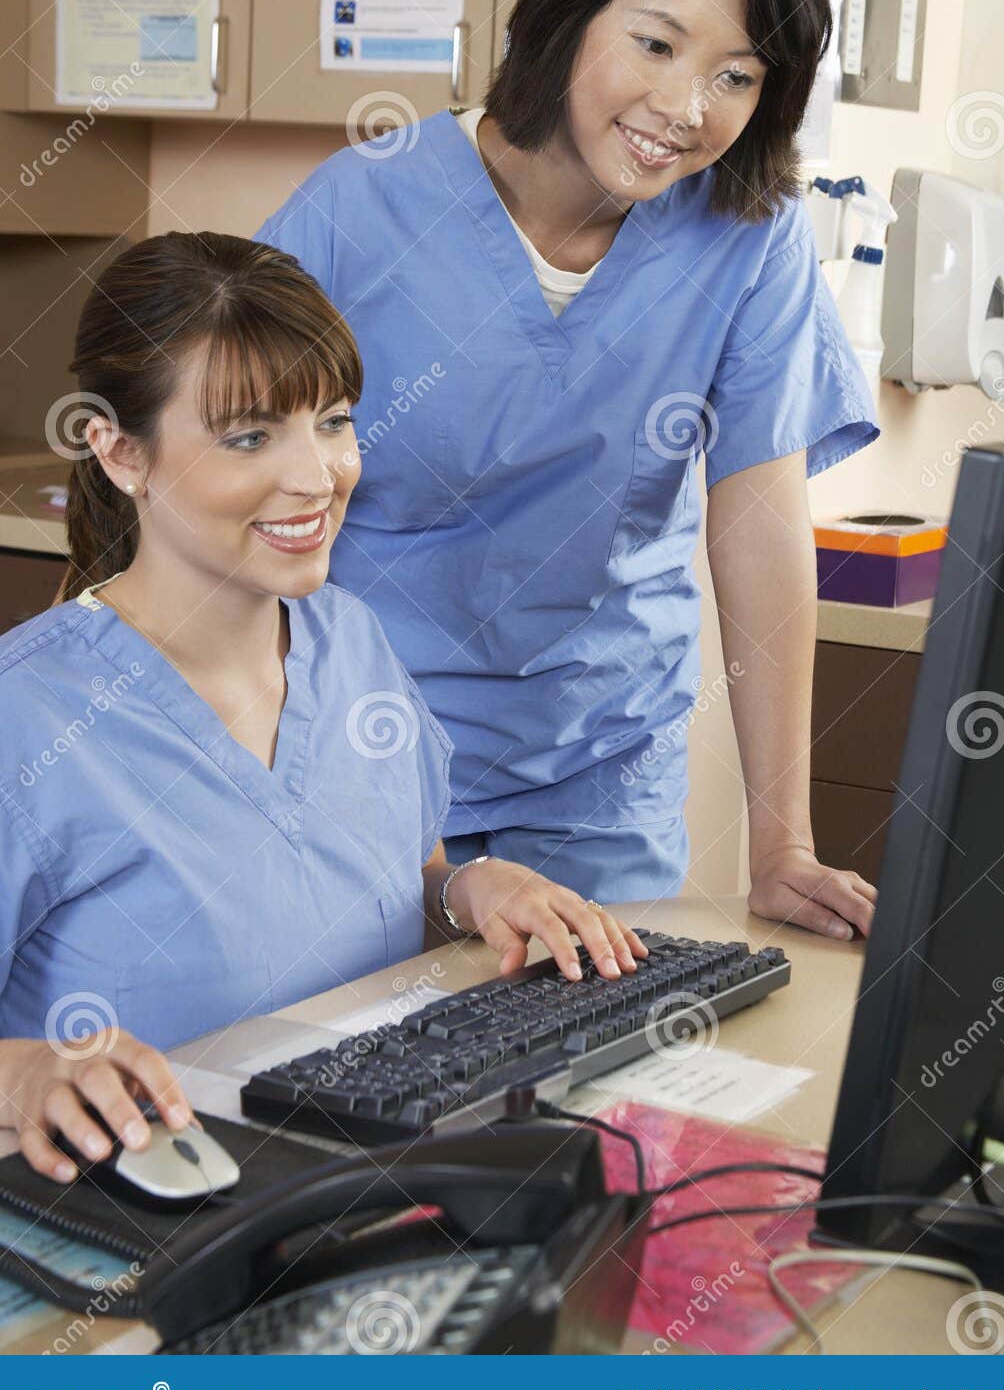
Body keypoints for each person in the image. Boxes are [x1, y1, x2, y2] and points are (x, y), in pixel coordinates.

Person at [255, 0, 881, 939]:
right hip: (362, 771)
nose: (686, 106)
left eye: (737, 75)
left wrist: (784, 840)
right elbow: (223, 504)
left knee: (601, 1097)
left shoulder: (748, 238)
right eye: (655, 43)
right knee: (359, 1091)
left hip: (599, 787)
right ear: (567, 10)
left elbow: (760, 522)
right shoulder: (357, 216)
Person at [0, 233, 645, 1184]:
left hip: (366, 1191)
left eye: (334, 421)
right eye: (249, 436)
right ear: (121, 453)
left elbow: (390, 882)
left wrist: (468, 891)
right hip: (142, 1244)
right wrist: (22, 1074)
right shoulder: (31, 717)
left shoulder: (350, 644)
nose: (318, 476)